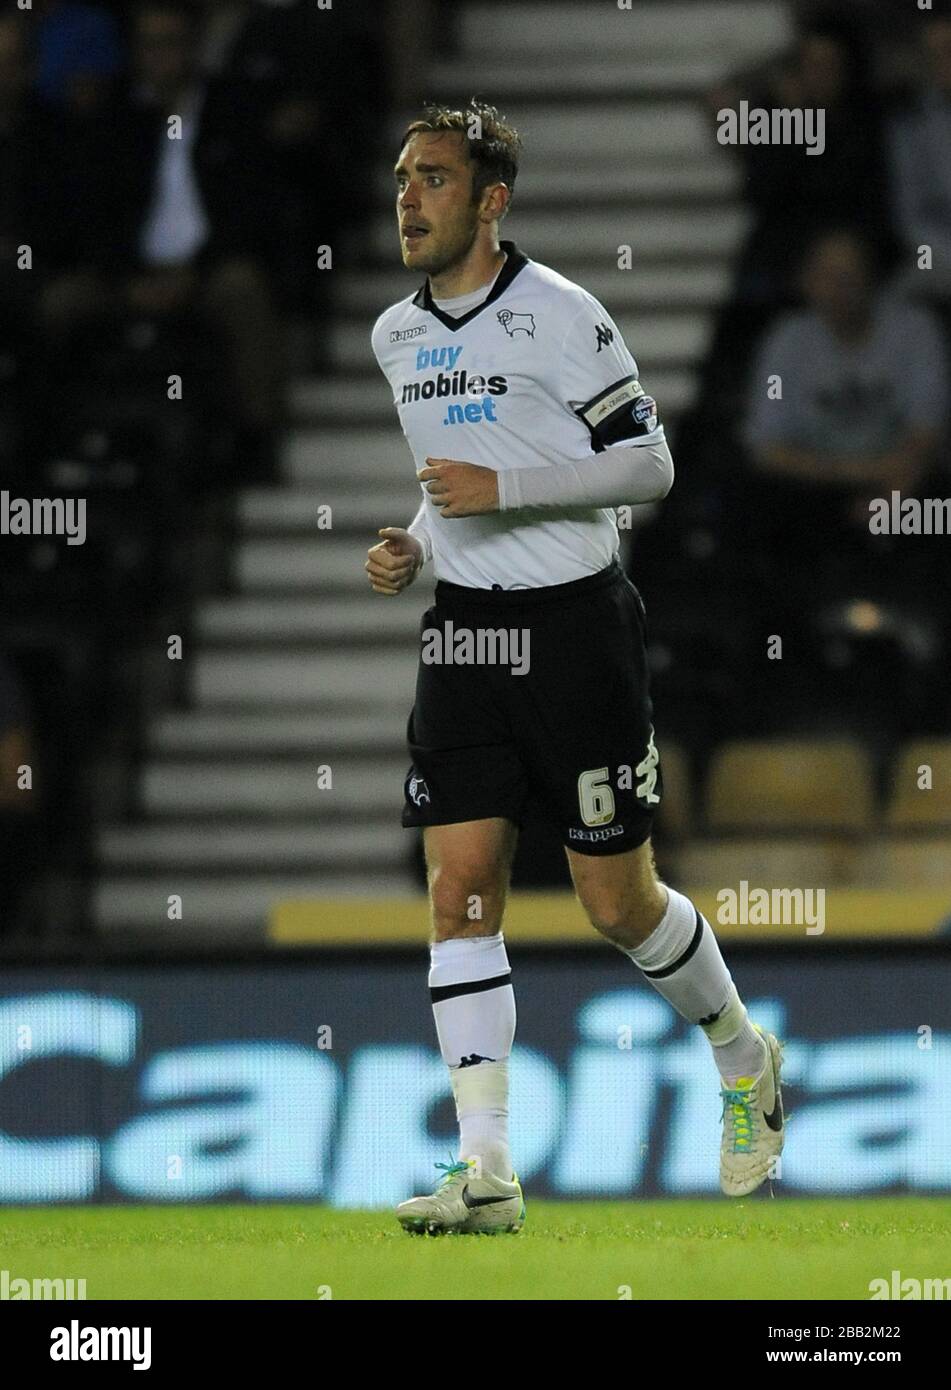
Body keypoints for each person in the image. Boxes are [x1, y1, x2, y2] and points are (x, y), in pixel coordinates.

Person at [366, 102, 785, 1233]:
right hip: (463, 634)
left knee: (616, 901)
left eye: (435, 180)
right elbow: (452, 471)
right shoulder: (394, 336)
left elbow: (647, 465)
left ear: (491, 200)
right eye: (404, 177)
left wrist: (498, 496)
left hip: (576, 633)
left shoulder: (560, 316)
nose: (408, 198)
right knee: (457, 891)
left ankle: (744, 1058)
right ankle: (489, 1170)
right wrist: (417, 540)